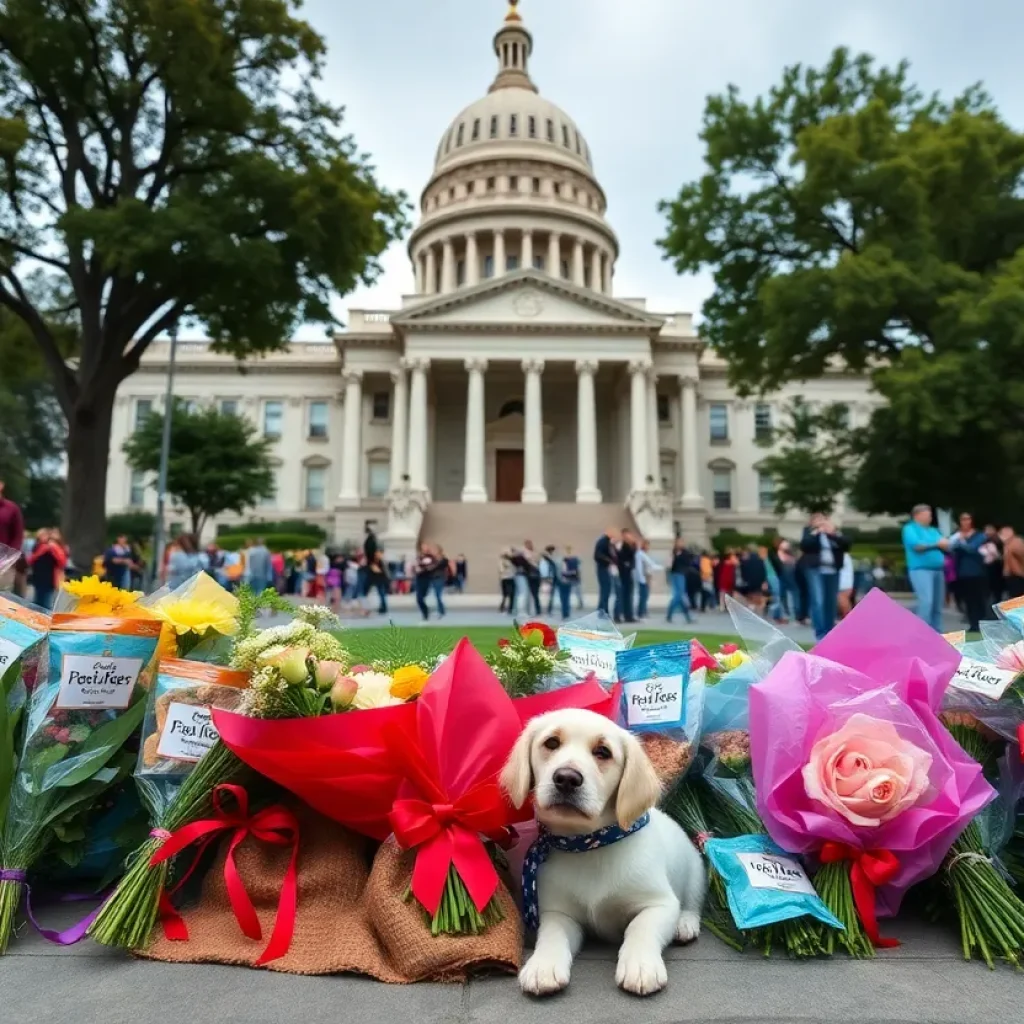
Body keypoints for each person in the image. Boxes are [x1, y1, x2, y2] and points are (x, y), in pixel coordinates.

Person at [799, 513, 850, 642]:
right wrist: (816, 533)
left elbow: (846, 544)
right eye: (818, 520)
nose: (821, 522)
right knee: (818, 600)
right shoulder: (809, 533)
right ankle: (820, 632)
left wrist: (832, 534)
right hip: (815, 569)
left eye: (823, 519)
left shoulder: (834, 533)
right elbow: (805, 546)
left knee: (830, 601)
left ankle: (829, 631)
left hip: (832, 570)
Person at [901, 504, 947, 632]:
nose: (930, 517)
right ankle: (922, 633)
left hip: (938, 570)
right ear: (917, 515)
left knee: (937, 605)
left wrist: (941, 544)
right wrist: (936, 544)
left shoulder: (933, 530)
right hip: (920, 569)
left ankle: (937, 633)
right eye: (927, 515)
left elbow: (946, 545)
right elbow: (917, 546)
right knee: (926, 602)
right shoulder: (910, 529)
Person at [949, 512, 988, 633]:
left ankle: (981, 623)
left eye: (968, 519)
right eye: (962, 519)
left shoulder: (980, 536)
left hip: (977, 572)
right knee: (967, 600)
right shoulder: (956, 536)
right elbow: (951, 550)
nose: (965, 522)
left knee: (979, 599)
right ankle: (972, 623)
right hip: (962, 573)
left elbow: (973, 548)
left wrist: (961, 542)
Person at [27, 528, 66, 609]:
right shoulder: (39, 546)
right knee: (37, 601)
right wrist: (42, 550)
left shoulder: (56, 547)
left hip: (49, 580)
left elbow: (62, 562)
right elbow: (31, 560)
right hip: (38, 578)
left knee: (46, 604)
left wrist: (53, 548)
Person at [0, 479, 24, 593]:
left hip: (4, 562)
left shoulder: (12, 509)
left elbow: (18, 535)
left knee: (3, 595)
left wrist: (10, 559)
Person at [666, 539, 695, 624]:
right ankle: (685, 616)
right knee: (679, 595)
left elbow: (688, 561)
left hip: (680, 574)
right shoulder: (674, 552)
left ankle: (685, 616)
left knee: (679, 596)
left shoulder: (685, 552)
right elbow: (671, 564)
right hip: (675, 574)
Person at [615, 528, 637, 624]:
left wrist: (633, 544)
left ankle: (629, 615)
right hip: (622, 573)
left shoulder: (631, 545)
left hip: (629, 573)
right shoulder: (621, 545)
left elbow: (632, 555)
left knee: (629, 595)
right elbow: (619, 557)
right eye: (626, 535)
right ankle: (618, 615)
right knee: (621, 595)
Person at [634, 539, 660, 621]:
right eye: (646, 545)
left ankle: (644, 611)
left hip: (647, 577)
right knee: (643, 596)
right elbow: (639, 567)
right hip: (643, 578)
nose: (648, 547)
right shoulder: (640, 554)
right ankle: (640, 613)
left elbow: (651, 565)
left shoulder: (645, 554)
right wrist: (641, 578)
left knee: (645, 596)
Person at [739, 543, 768, 615]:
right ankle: (758, 611)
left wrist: (745, 579)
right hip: (759, 581)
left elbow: (743, 572)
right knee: (758, 596)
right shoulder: (760, 560)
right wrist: (764, 581)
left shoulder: (745, 561)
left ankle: (751, 609)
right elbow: (763, 571)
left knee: (750, 596)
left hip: (749, 581)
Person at [593, 528, 616, 616]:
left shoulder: (607, 542)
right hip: (603, 568)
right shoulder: (603, 542)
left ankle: (601, 609)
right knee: (605, 590)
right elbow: (597, 555)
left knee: (605, 590)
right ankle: (603, 610)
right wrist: (608, 560)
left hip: (605, 568)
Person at [1000, 524, 1024, 599]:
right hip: (1011, 576)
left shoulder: (1016, 541)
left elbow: (1021, 554)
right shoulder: (1007, 544)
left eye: (1004, 533)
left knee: (1018, 598)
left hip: (1018, 575)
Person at [984, 524, 1004, 607]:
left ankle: (996, 607)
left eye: (990, 530)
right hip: (987, 569)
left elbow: (1002, 555)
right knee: (989, 591)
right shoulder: (984, 541)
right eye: (986, 530)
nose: (988, 532)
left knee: (997, 591)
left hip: (997, 569)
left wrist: (997, 556)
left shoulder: (999, 541)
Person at [366, 550, 390, 614]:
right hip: (377, 580)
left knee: (382, 594)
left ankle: (383, 607)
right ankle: (382, 607)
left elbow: (379, 571)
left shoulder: (381, 562)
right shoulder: (376, 562)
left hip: (381, 580)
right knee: (381, 594)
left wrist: (374, 568)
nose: (377, 555)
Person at [562, 545, 583, 611]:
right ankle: (579, 603)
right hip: (572, 577)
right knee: (576, 592)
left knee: (576, 592)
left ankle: (580, 603)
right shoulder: (572, 559)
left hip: (573, 577)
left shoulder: (570, 559)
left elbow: (578, 569)